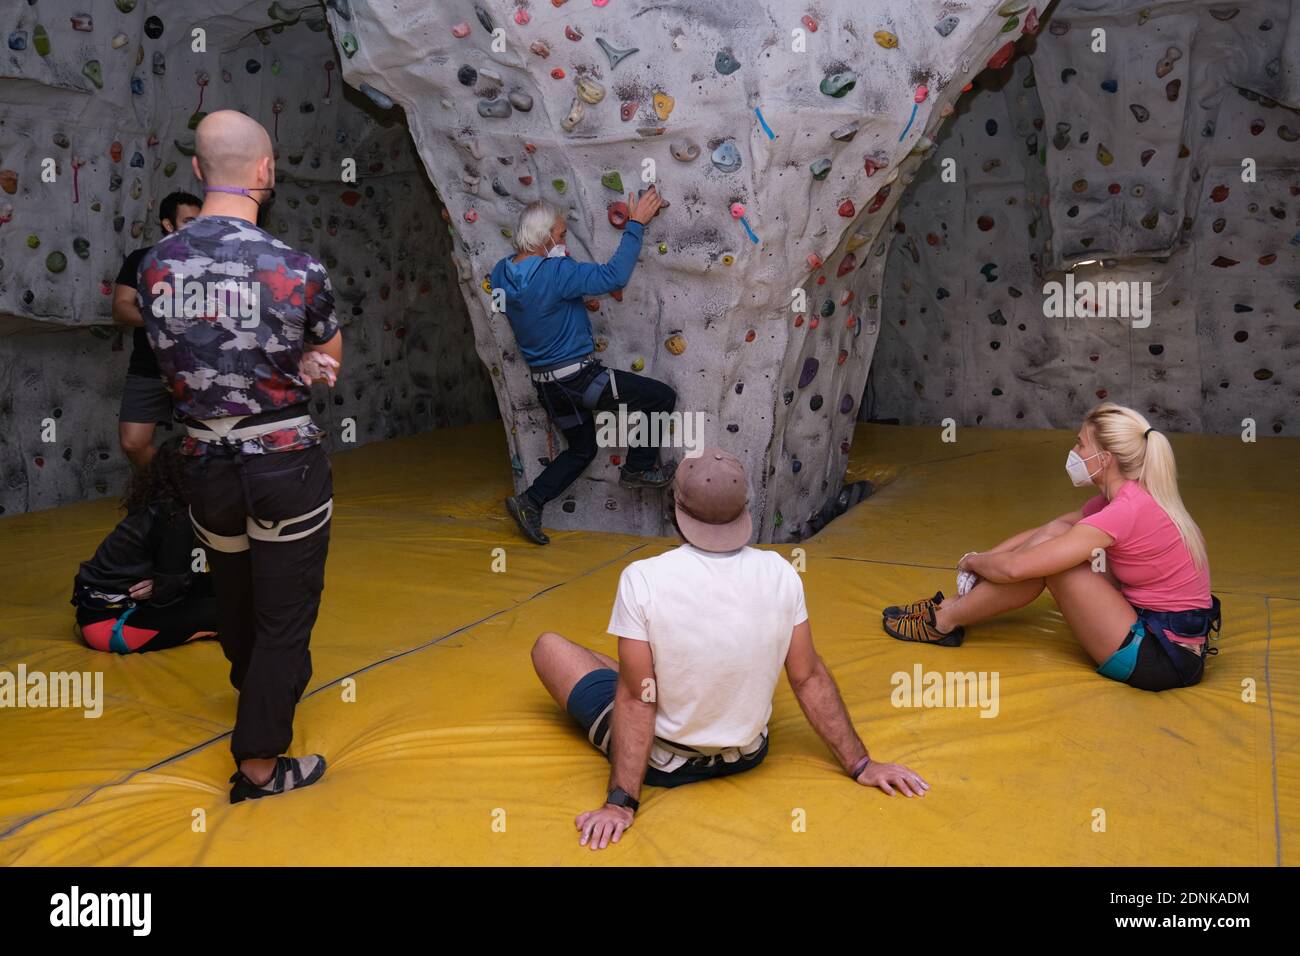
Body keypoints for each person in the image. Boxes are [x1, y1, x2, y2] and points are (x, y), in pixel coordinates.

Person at [531, 447, 930, 851]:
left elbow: (638, 697)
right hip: (748, 753)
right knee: (634, 670)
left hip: (666, 761)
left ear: (676, 509)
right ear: (744, 510)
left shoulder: (643, 579)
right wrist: (861, 764)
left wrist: (621, 802)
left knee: (551, 647)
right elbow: (808, 676)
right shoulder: (781, 572)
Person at [138, 110, 342, 804]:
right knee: (285, 613)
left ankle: (255, 692)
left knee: (235, 599)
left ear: (198, 171)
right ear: (265, 172)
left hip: (204, 463)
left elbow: (178, 354)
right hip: (283, 460)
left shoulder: (155, 265)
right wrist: (304, 365)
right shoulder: (297, 268)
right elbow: (324, 362)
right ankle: (259, 763)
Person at [881, 402, 1221, 692]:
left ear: (1105, 459)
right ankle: (953, 610)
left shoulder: (1125, 511)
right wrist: (987, 557)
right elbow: (1050, 529)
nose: (1074, 452)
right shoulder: (1126, 497)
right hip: (1157, 632)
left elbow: (1017, 569)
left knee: (1052, 563)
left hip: (1162, 661)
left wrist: (972, 561)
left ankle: (943, 622)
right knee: (1055, 537)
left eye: (1080, 444)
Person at [491, 190, 678, 546]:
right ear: (545, 238)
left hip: (547, 387)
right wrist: (636, 222)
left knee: (582, 449)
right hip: (578, 379)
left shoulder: (501, 272)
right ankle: (639, 468)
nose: (564, 242)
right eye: (561, 236)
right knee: (660, 397)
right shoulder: (558, 272)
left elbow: (537, 305)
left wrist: (571, 298)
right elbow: (613, 277)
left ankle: (530, 501)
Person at [71, 438, 218, 654]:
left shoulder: (166, 502)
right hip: (112, 623)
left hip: (117, 607)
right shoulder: (175, 517)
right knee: (230, 612)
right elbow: (168, 596)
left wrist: (165, 584)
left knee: (229, 587)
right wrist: (165, 585)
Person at [112, 191, 202, 472]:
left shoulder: (210, 264)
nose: (196, 228)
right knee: (133, 442)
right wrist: (162, 320)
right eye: (189, 221)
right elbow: (121, 308)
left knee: (211, 443)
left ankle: (206, 502)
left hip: (200, 368)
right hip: (149, 366)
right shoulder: (142, 260)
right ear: (167, 224)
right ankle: (170, 488)